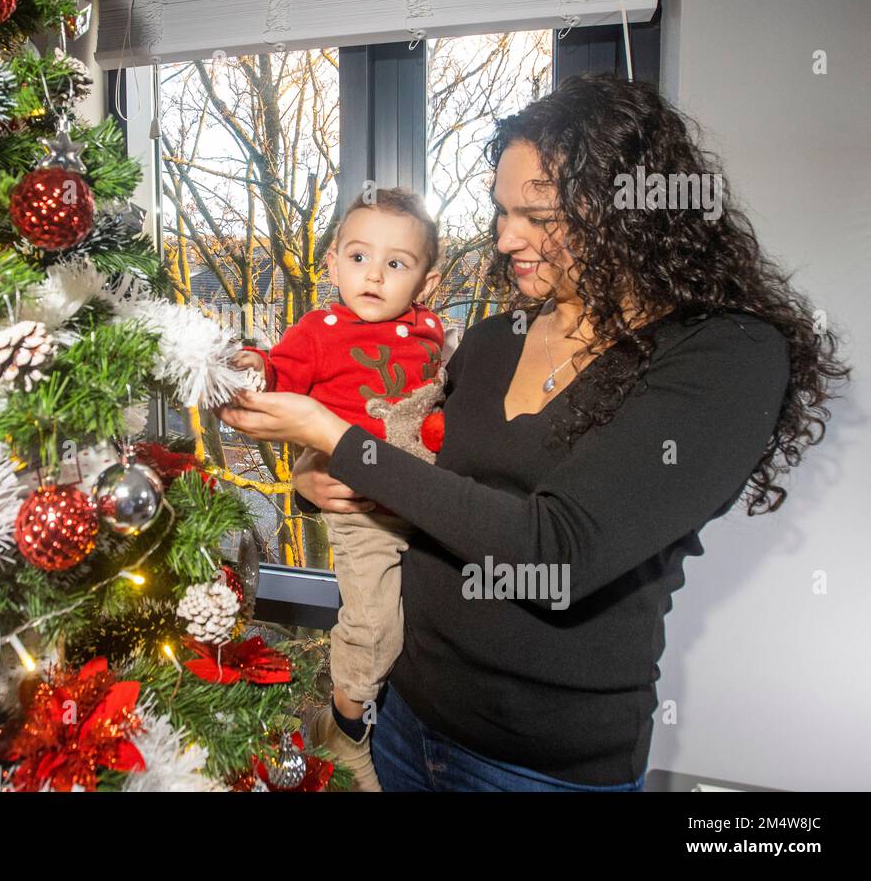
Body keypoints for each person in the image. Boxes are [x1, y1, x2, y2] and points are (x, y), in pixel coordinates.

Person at [218, 73, 849, 791]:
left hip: (542, 768)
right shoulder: (492, 340)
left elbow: (559, 553)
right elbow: (419, 482)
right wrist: (314, 480)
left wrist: (337, 439)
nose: (506, 237)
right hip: (404, 721)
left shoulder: (723, 354)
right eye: (500, 211)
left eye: (538, 215)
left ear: (631, 212)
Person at [229, 187, 445, 791]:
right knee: (375, 623)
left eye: (397, 263)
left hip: (429, 508)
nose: (373, 274)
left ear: (425, 282)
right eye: (358, 256)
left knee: (413, 615)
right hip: (365, 510)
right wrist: (247, 366)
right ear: (330, 263)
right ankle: (346, 728)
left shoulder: (431, 331)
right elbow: (275, 371)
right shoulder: (320, 330)